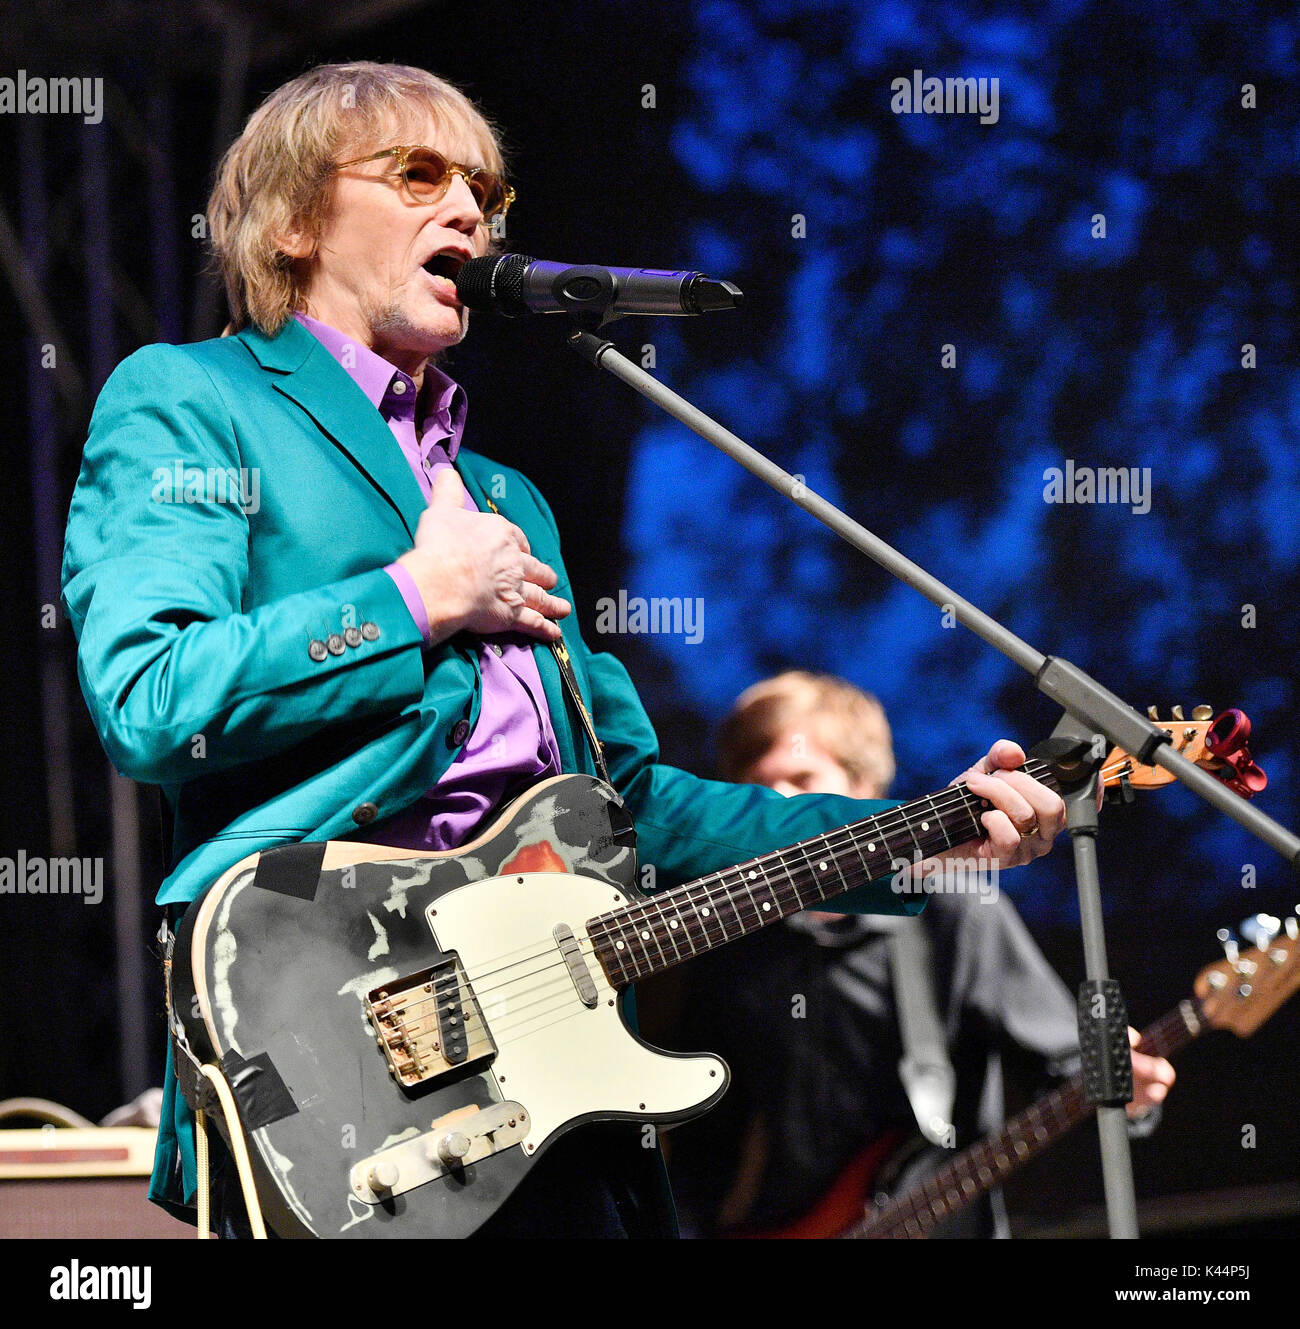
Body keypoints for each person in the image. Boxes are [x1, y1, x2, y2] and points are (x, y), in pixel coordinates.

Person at [61, 63, 1072, 1239]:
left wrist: (939, 833)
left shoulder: (505, 499)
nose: (469, 215)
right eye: (419, 175)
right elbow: (150, 697)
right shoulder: (196, 399)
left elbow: (635, 805)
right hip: (331, 1052)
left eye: (483, 193)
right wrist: (414, 599)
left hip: (552, 1088)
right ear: (291, 222)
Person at [664, 671, 1176, 1238]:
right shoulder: (732, 938)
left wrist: (1126, 1094)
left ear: (861, 791)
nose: (781, 805)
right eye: (762, 788)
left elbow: (1066, 1069)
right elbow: (697, 1141)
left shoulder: (955, 912)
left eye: (803, 778)